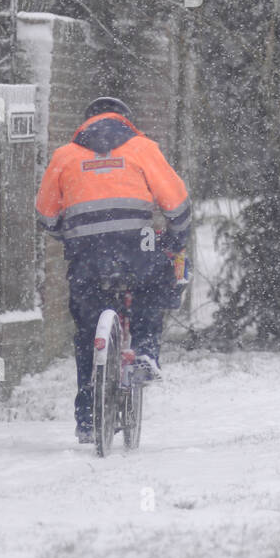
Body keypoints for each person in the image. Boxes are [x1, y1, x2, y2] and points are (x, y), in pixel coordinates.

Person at [35, 96, 191, 442]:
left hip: (87, 258)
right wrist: (176, 241)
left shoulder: (64, 156)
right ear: (126, 121)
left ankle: (89, 420)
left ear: (85, 124)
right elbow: (177, 203)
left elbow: (46, 215)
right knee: (152, 284)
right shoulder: (142, 148)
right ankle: (146, 353)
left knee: (88, 334)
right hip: (137, 248)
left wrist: (72, 236)